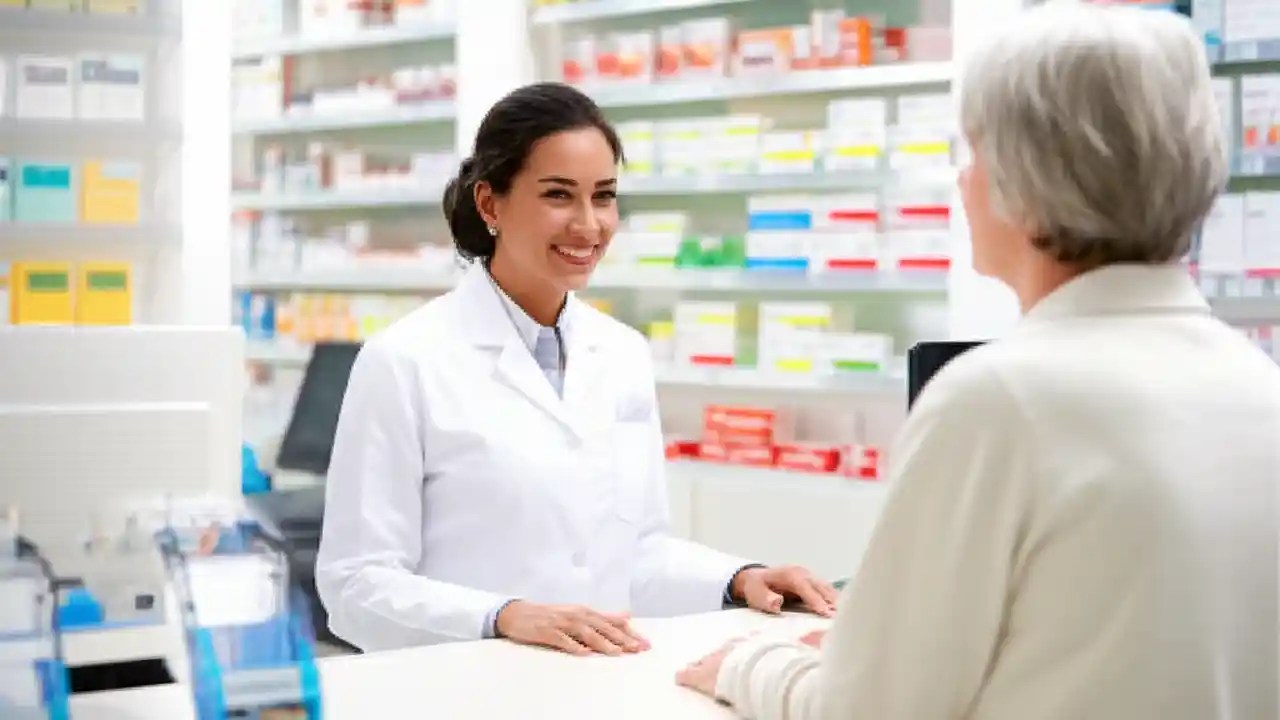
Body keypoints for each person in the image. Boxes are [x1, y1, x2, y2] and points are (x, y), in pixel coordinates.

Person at [678, 4, 1279, 718]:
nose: (964, 183)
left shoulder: (1000, 401)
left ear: (1026, 179)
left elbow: (868, 712)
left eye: (975, 153)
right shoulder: (1257, 388)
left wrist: (749, 665)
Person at [316, 82, 837, 656]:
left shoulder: (621, 352)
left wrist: (739, 578)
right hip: (459, 691)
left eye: (604, 196)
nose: (589, 225)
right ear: (490, 204)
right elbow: (354, 586)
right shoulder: (404, 359)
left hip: (592, 686)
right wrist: (502, 616)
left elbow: (635, 554)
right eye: (559, 196)